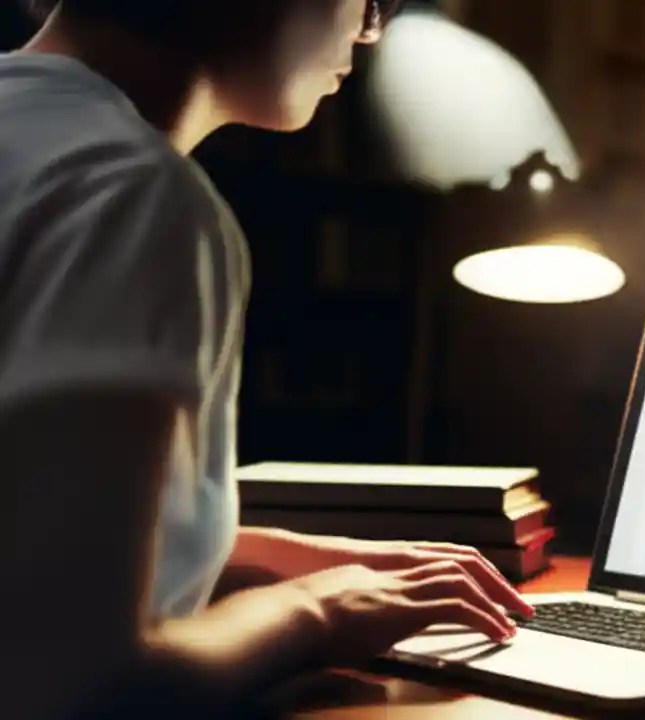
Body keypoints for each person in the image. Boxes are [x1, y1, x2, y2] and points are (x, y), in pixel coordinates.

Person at [0, 1, 535, 717]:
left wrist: (252, 552)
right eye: (371, 1)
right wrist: (316, 607)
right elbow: (87, 685)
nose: (369, 31)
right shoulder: (131, 193)